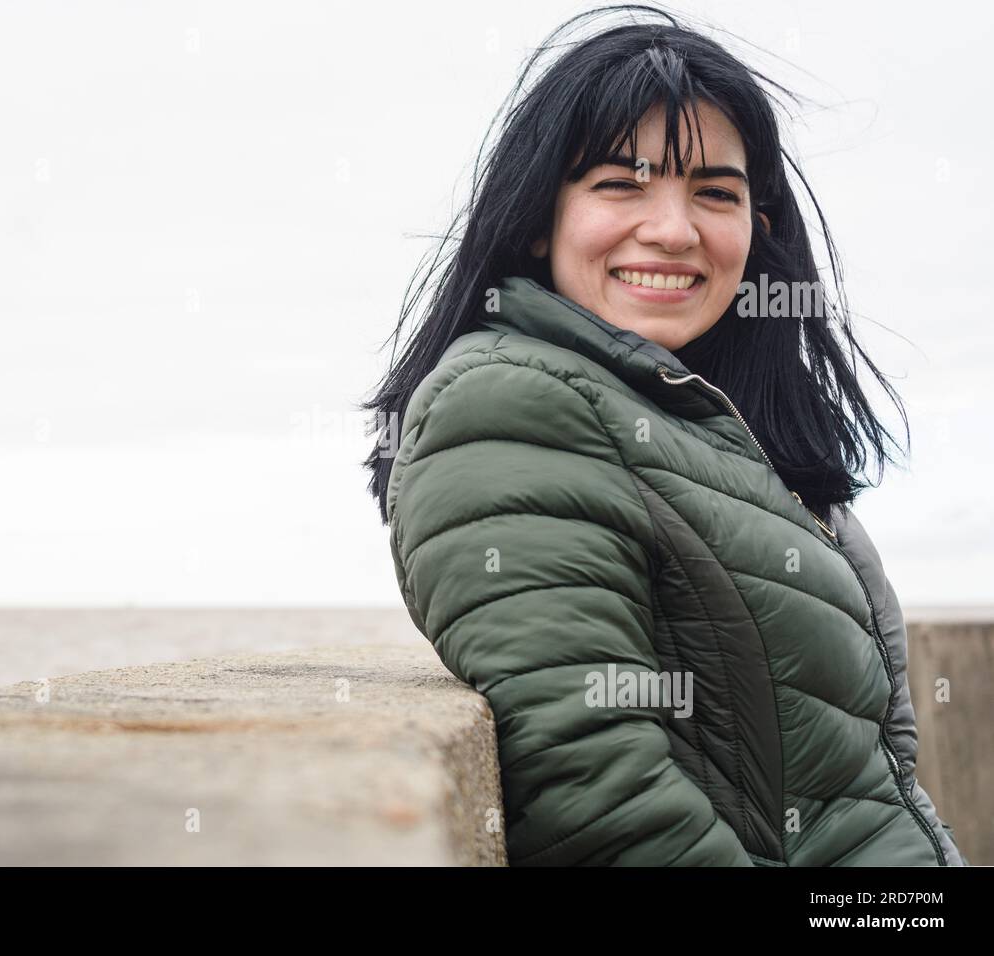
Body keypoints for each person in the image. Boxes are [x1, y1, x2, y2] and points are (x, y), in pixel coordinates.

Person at [360, 5, 968, 865]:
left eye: (716, 193)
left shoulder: (719, 427)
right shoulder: (504, 404)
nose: (675, 230)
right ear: (541, 216)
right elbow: (598, 797)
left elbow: (876, 783)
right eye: (621, 183)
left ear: (758, 230)